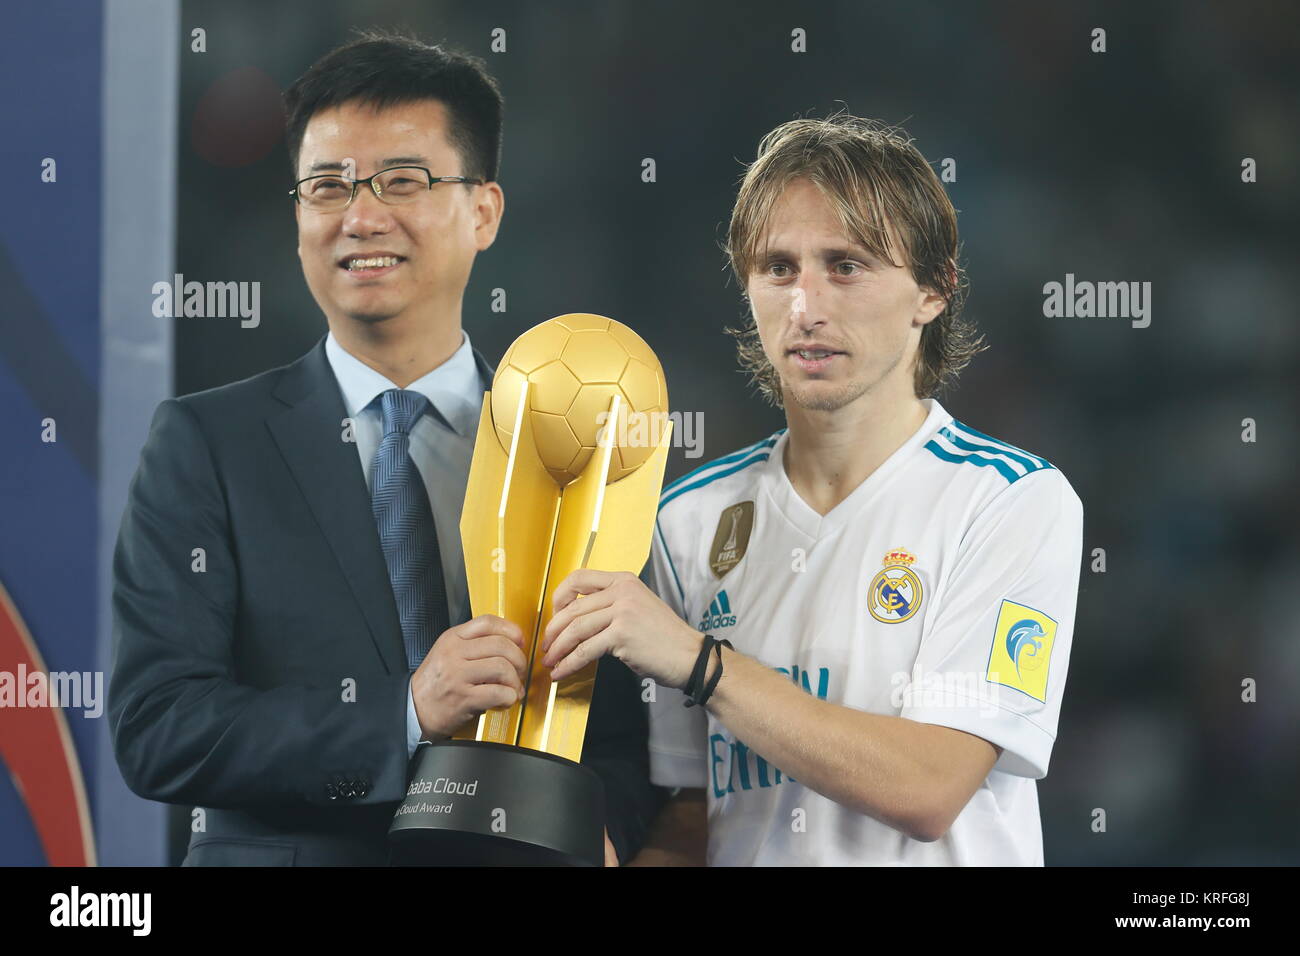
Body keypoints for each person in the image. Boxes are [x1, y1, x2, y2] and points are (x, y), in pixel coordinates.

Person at [109, 30, 661, 867]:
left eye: (403, 180)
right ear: (297, 215)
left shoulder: (575, 443)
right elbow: (159, 728)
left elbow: (630, 730)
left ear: (484, 210)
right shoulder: (206, 445)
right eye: (326, 186)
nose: (362, 216)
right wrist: (404, 712)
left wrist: (605, 834)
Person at [539, 114, 1084, 865]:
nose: (806, 307)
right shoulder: (685, 522)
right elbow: (697, 815)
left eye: (847, 265)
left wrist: (702, 662)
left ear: (933, 290)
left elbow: (929, 788)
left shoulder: (1011, 500)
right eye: (779, 268)